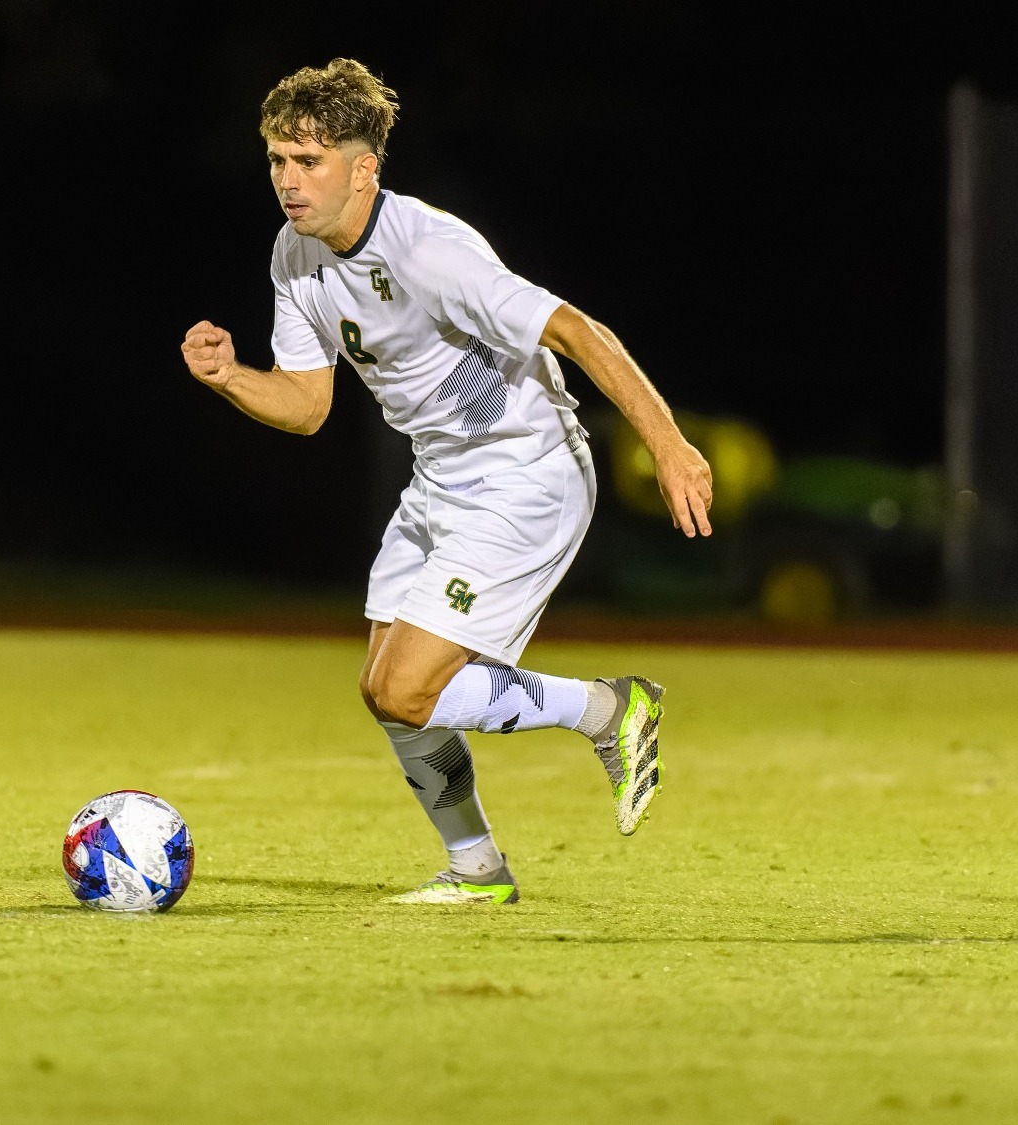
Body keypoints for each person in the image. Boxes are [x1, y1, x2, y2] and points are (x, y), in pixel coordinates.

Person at [181, 59, 714, 904]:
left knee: (407, 685)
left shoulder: (431, 252)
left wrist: (670, 444)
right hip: (443, 479)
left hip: (525, 476)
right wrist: (230, 377)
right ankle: (478, 870)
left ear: (365, 169)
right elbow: (308, 405)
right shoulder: (295, 254)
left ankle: (609, 710)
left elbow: (577, 330)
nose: (287, 180)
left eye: (308, 161)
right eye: (278, 160)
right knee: (386, 694)